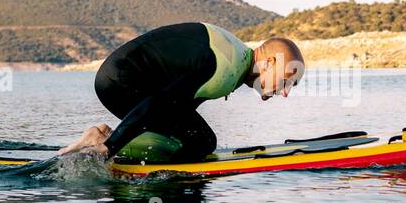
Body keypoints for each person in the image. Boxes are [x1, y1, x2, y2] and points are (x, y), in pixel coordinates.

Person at [58, 22, 304, 162]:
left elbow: (177, 109)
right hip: (121, 81)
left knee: (194, 137)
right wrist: (111, 146)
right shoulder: (225, 69)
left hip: (122, 76)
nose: (285, 93)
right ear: (269, 63)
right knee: (201, 140)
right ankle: (103, 142)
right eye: (287, 80)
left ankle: (105, 136)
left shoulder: (236, 58)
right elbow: (161, 102)